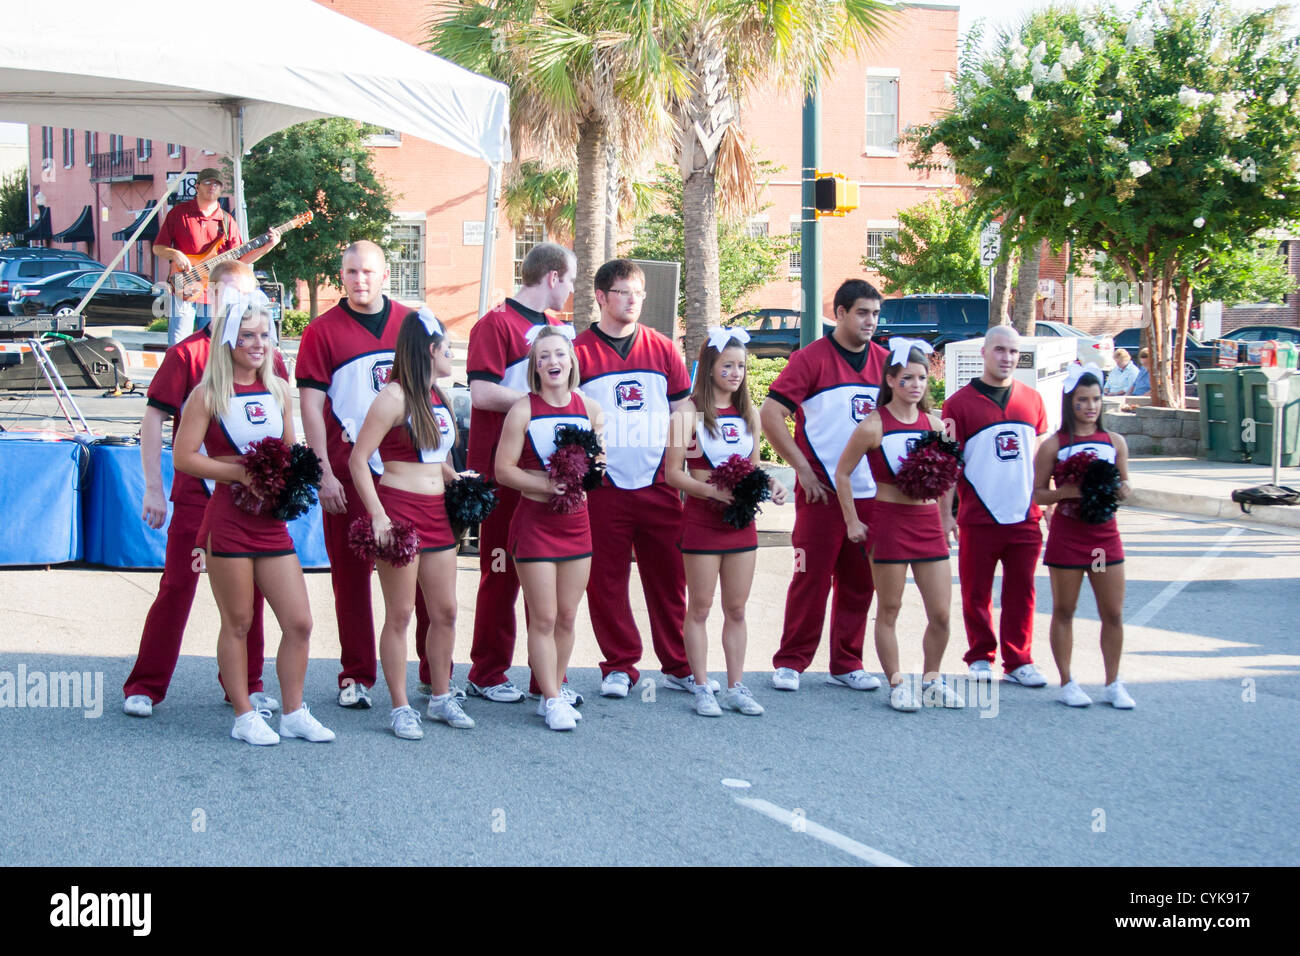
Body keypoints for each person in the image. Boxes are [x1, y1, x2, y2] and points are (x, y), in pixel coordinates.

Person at [172, 289, 334, 745]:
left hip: (271, 522)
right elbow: (184, 457)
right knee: (238, 622)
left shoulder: (280, 391)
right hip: (229, 520)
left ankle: (294, 711)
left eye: (264, 334)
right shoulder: (208, 394)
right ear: (228, 341)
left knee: (300, 621)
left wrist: (287, 476)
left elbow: (284, 453)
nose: (258, 343)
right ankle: (244, 714)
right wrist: (238, 472)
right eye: (247, 335)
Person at [122, 260, 280, 719]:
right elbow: (153, 417)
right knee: (177, 588)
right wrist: (153, 485)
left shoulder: (266, 355)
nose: (239, 305)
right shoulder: (189, 353)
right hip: (198, 498)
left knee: (248, 597)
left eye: (247, 296)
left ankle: (245, 687)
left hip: (251, 504)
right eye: (229, 295)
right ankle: (146, 684)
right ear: (211, 296)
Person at [296, 241, 437, 710]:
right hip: (350, 472)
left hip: (405, 473)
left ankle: (433, 673)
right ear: (342, 276)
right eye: (352, 271)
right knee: (352, 579)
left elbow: (435, 391)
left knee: (419, 580)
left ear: (385, 275)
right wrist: (323, 473)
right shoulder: (322, 332)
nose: (360, 279)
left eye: (369, 271)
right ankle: (357, 675)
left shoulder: (410, 324)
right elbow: (311, 407)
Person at [573, 259, 705, 700]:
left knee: (668, 579)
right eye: (623, 292)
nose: (632, 300)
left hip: (658, 482)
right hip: (604, 486)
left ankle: (679, 664)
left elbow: (683, 410)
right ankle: (618, 664)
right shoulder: (577, 352)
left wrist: (684, 468)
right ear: (602, 297)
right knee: (606, 580)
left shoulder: (663, 348)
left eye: (638, 293)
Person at [758, 278, 891, 694]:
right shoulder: (810, 359)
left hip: (870, 493)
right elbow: (771, 414)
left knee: (859, 582)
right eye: (862, 313)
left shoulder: (887, 363)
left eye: (875, 313)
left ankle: (847, 662)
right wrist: (801, 469)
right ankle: (792, 662)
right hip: (821, 492)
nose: (870, 321)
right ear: (840, 313)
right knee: (809, 578)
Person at [348, 311, 475, 738]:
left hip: (438, 514)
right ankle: (401, 707)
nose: (452, 354)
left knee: (446, 611)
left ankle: (440, 696)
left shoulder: (436, 394)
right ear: (428, 350)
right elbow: (358, 459)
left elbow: (436, 459)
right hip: (400, 510)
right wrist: (378, 514)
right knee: (400, 614)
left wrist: (460, 484)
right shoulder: (393, 397)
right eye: (447, 347)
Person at [464, 243, 574, 705]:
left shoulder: (558, 331)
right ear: (551, 277)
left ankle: (545, 679)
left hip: (548, 475)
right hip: (502, 474)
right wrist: (538, 404)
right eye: (569, 279)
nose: (571, 289)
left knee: (546, 580)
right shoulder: (495, 324)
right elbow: (481, 393)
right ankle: (487, 671)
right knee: (500, 572)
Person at [665, 328, 788, 717]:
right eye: (727, 366)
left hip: (740, 524)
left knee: (737, 609)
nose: (735, 373)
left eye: (740, 367)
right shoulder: (687, 413)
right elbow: (673, 474)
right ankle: (702, 687)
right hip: (702, 520)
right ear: (710, 368)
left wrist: (770, 484)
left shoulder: (749, 413)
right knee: (700, 607)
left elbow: (750, 469)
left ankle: (736, 686)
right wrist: (712, 493)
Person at [835, 338, 961, 712]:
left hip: (927, 526)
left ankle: (932, 679)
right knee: (889, 609)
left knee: (940, 612)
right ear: (890, 380)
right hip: (889, 523)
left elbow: (949, 476)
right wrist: (852, 521)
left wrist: (946, 516)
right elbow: (842, 473)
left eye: (921, 378)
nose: (915, 385)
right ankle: (897, 683)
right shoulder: (874, 425)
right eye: (907, 378)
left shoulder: (935, 424)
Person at [494, 326, 605, 731]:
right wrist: (546, 484)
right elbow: (502, 470)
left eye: (559, 354)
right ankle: (554, 699)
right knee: (542, 616)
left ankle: (550, 688)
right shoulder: (523, 409)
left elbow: (600, 463)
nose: (552, 362)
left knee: (567, 617)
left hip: (577, 523)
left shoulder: (590, 409)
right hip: (536, 523)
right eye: (543, 357)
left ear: (571, 360)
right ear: (535, 366)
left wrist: (588, 472)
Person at [942, 324, 1050, 687]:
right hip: (978, 516)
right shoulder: (957, 405)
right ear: (984, 353)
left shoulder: (1033, 401)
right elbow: (946, 465)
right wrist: (946, 514)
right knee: (977, 592)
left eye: (1013, 352)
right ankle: (980, 657)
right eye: (1000, 350)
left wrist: (1046, 500)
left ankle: (1019, 660)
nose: (1007, 358)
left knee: (1022, 591)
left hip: (1024, 516)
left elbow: (1040, 460)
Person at [1033, 364, 1135, 709]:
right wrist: (1067, 491)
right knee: (1064, 610)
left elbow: (1126, 485)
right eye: (1082, 400)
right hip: (1067, 538)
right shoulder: (1053, 446)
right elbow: (1037, 494)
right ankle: (1067, 682)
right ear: (1069, 403)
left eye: (1095, 399)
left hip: (1102, 541)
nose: (1090, 406)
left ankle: (1113, 683)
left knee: (1113, 613)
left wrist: (1118, 490)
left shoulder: (1114, 442)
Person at [153, 167, 278, 346]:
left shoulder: (227, 221)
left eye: (217, 184)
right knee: (178, 345)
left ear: (221, 189)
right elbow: (158, 248)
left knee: (212, 345)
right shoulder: (179, 214)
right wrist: (175, 253)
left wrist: (267, 247)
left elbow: (240, 263)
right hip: (184, 288)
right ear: (197, 186)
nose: (213, 187)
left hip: (214, 293)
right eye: (208, 182)